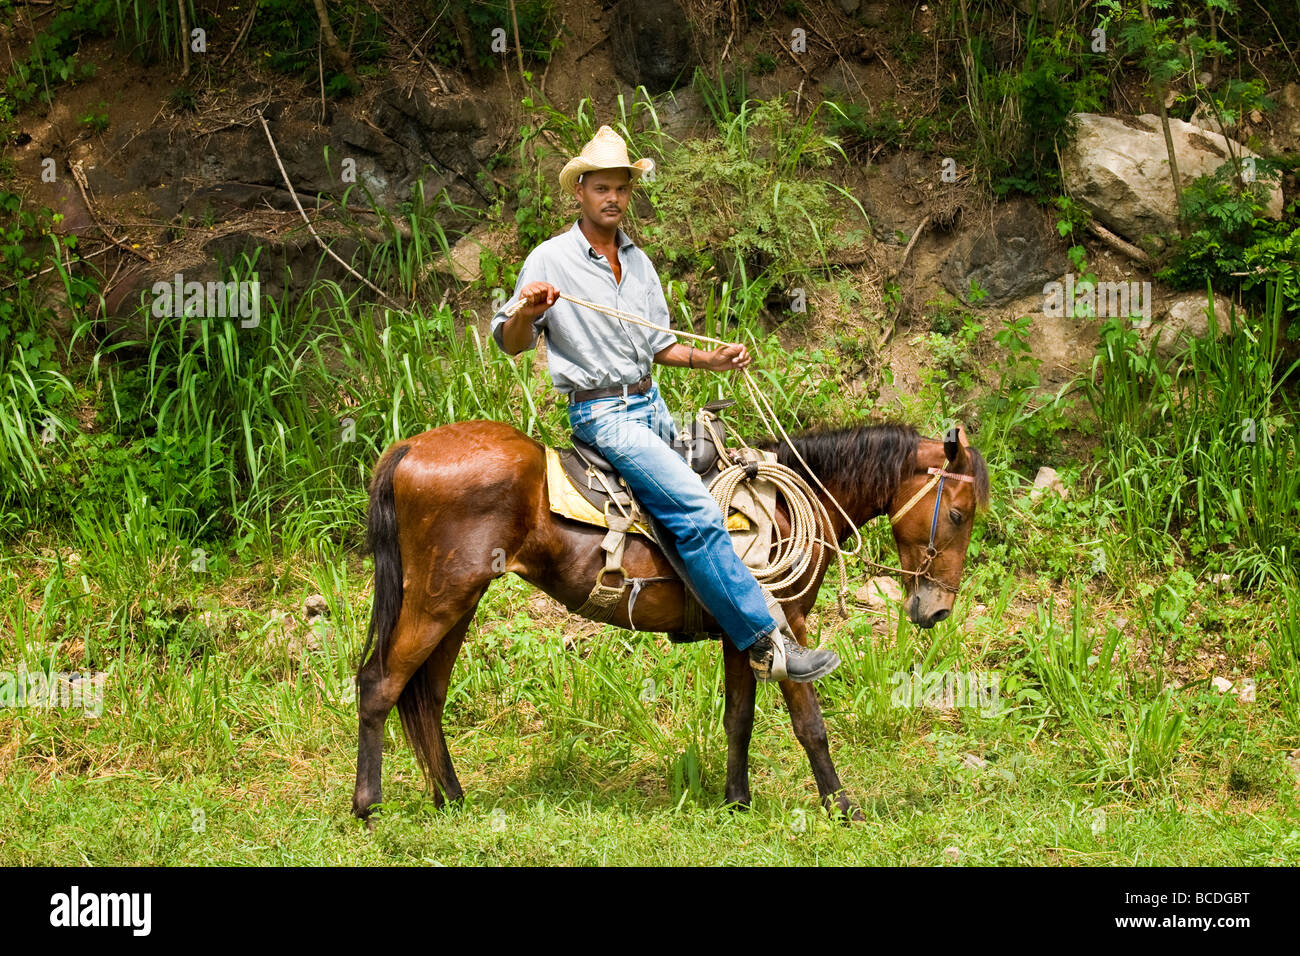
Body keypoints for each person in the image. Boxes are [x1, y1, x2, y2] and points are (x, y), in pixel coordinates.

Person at [490, 125, 839, 684]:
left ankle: (694, 605)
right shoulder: (549, 260)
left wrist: (712, 360)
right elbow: (509, 342)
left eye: (622, 189)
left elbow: (659, 344)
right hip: (602, 414)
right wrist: (529, 311)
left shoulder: (638, 261)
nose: (613, 198)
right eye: (601, 187)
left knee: (728, 488)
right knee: (698, 514)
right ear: (579, 190)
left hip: (651, 404)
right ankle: (765, 644)